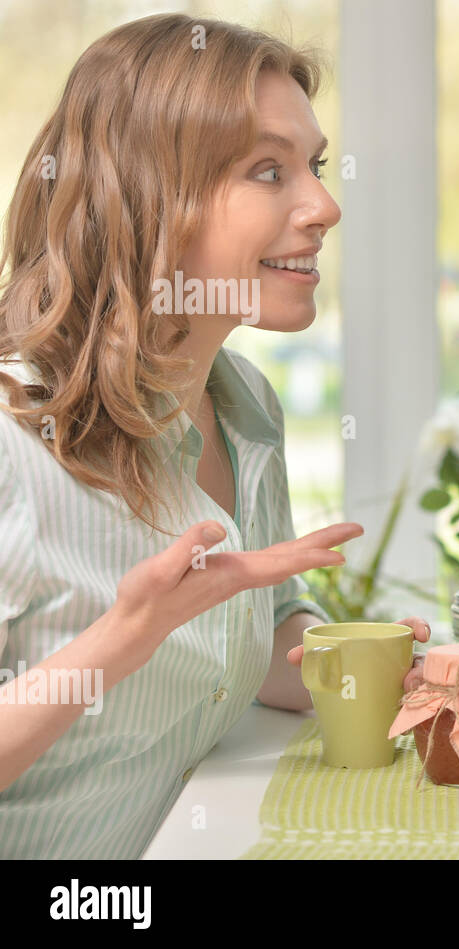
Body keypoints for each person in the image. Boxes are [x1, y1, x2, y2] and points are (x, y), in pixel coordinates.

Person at [0, 14, 430, 858]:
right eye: (268, 171)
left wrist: (352, 660)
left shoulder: (242, 406)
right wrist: (123, 636)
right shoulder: (14, 438)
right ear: (148, 193)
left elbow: (257, 634)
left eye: (313, 164)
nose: (325, 205)